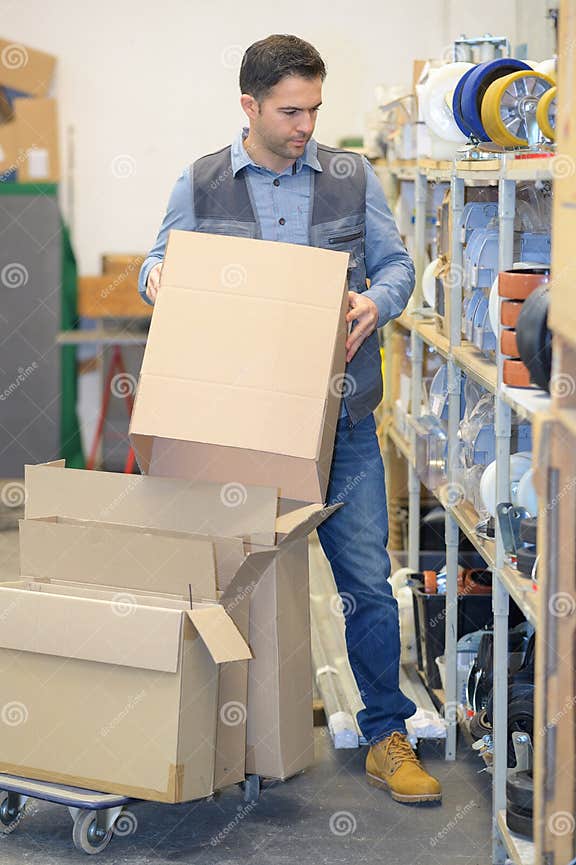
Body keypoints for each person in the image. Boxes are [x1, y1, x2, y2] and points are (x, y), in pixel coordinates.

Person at [138, 33, 441, 804]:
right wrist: (161, 278)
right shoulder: (202, 182)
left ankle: (385, 735)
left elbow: (398, 263)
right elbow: (154, 263)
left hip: (340, 425)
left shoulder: (350, 176)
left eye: (313, 109)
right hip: (238, 428)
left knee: (366, 583)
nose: (305, 125)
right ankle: (218, 737)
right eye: (289, 111)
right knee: (224, 585)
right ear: (249, 105)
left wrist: (378, 300)